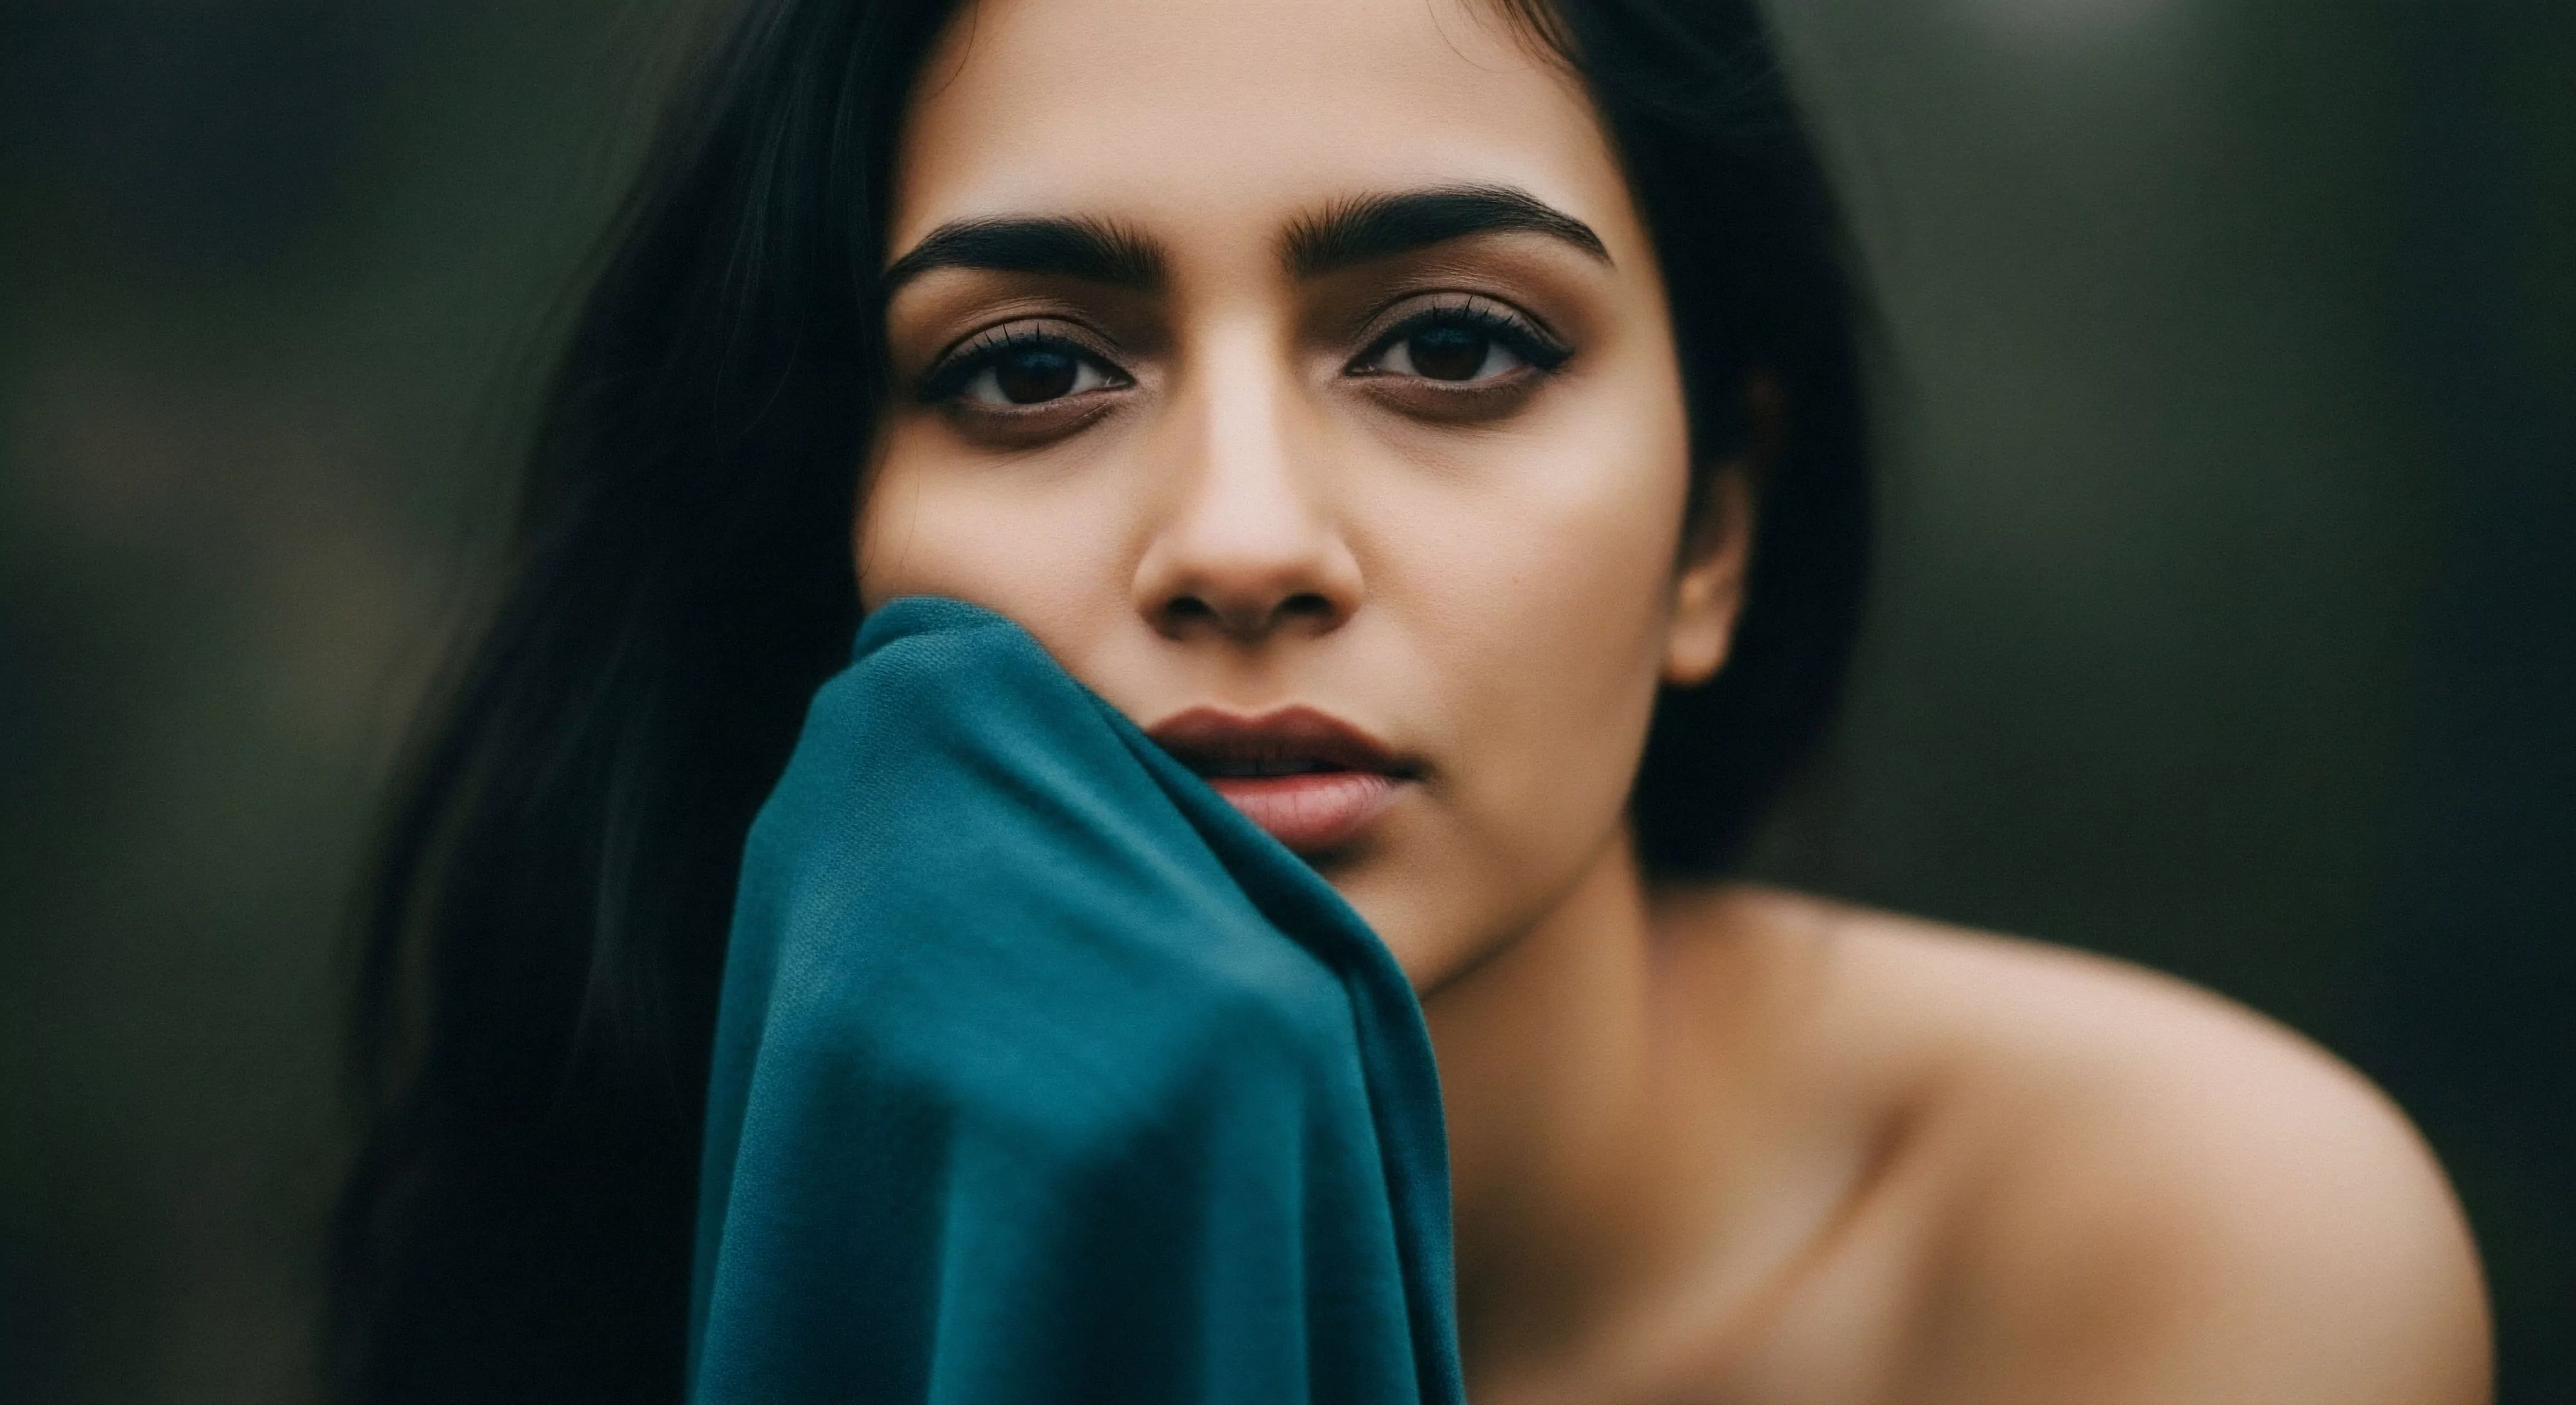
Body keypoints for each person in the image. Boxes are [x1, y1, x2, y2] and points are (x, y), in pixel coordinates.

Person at [327, 0, 2493, 1400]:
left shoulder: (2181, 1262)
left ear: (1712, 530)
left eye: (1452, 347)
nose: (1243, 541)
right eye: (1033, 368)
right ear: (823, 534)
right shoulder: (643, 1264)